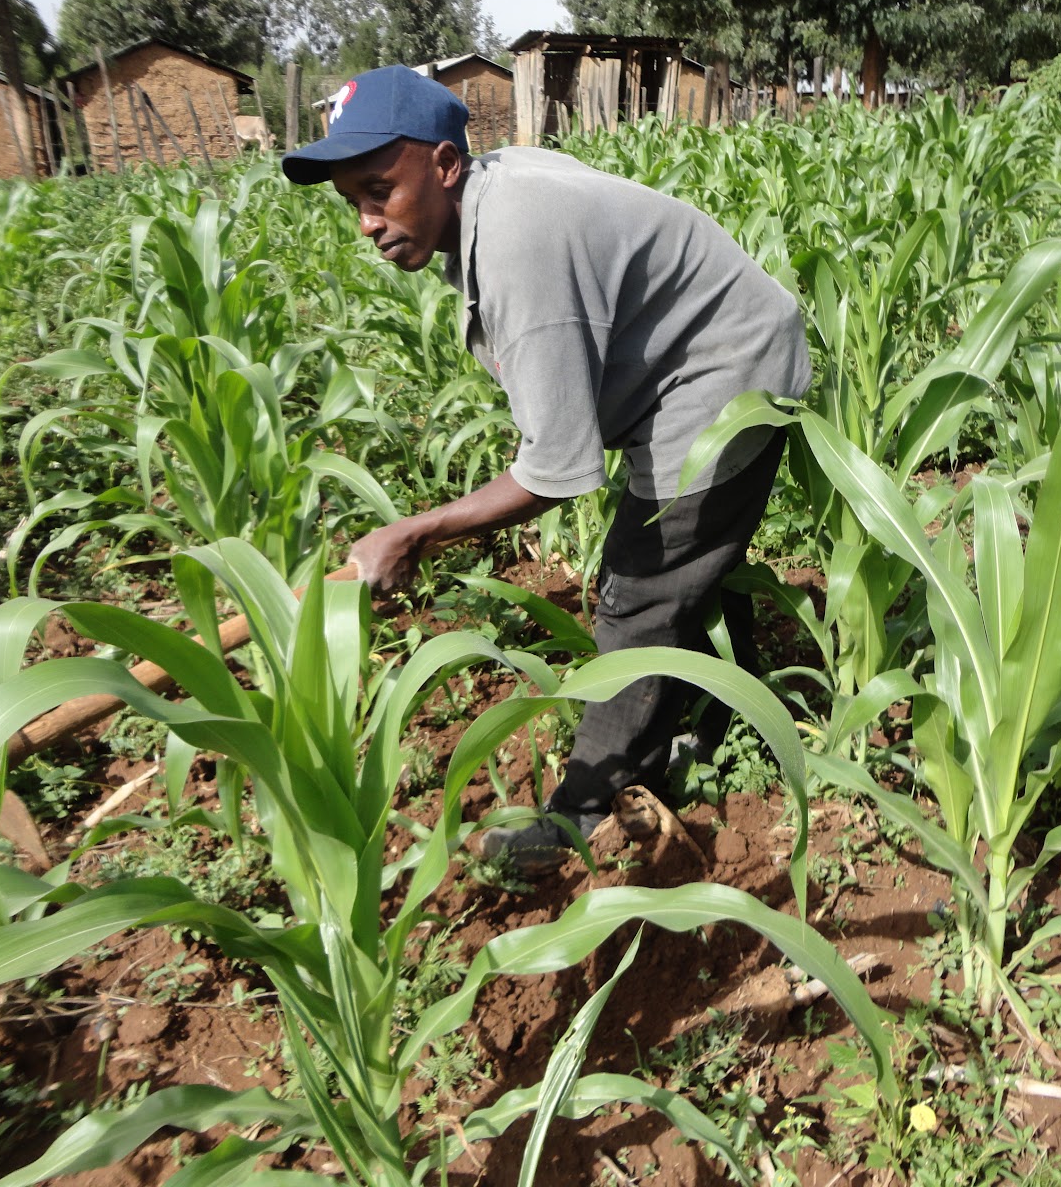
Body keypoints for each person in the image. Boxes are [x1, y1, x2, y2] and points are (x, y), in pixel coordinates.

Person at [283, 65, 810, 872]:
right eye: (352, 200)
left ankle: (583, 812)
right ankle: (726, 715)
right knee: (687, 564)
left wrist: (417, 533)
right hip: (695, 357)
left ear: (445, 164)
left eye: (379, 191)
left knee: (641, 591)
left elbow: (555, 473)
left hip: (726, 370)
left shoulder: (518, 246)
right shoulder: (489, 195)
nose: (366, 223)